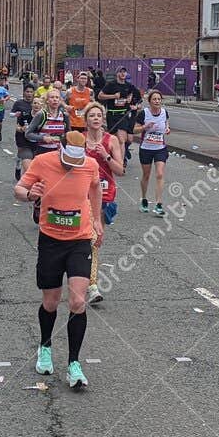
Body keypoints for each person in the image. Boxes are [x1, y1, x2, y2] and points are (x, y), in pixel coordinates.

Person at [14, 130, 104, 390]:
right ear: (60, 149)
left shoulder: (90, 164)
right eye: (68, 160)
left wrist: (97, 218)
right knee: (51, 302)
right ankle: (45, 346)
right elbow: (18, 189)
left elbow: (96, 188)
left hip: (79, 240)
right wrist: (31, 194)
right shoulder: (43, 162)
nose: (72, 165)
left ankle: (74, 364)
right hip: (51, 240)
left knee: (77, 301)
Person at [81, 103, 123, 305]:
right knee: (87, 238)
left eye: (99, 115)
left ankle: (88, 279)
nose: (96, 118)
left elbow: (120, 169)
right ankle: (91, 285)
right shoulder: (79, 139)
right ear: (86, 120)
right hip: (81, 195)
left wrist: (105, 155)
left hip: (105, 194)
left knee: (95, 239)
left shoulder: (111, 140)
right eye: (92, 116)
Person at [136, 89, 170, 215]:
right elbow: (134, 129)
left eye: (159, 99)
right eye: (154, 99)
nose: (157, 101)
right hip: (146, 148)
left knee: (160, 174)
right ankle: (144, 199)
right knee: (146, 175)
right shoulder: (143, 114)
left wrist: (167, 129)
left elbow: (166, 123)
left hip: (160, 148)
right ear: (149, 101)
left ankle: (159, 204)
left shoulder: (164, 113)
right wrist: (145, 127)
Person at [99, 67, 141, 161]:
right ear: (117, 74)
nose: (123, 74)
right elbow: (100, 96)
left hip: (123, 115)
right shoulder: (111, 84)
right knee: (114, 139)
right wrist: (113, 96)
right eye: (121, 72)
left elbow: (136, 94)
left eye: (124, 72)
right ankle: (115, 154)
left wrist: (130, 98)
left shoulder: (128, 85)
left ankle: (121, 163)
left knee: (122, 139)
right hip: (112, 114)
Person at [11, 82, 38, 180]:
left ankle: (19, 161)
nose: (29, 94)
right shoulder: (19, 103)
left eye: (31, 92)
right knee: (26, 161)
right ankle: (20, 168)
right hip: (22, 134)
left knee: (34, 161)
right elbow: (11, 114)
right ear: (24, 93)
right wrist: (16, 115)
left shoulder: (37, 104)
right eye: (27, 92)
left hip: (35, 137)